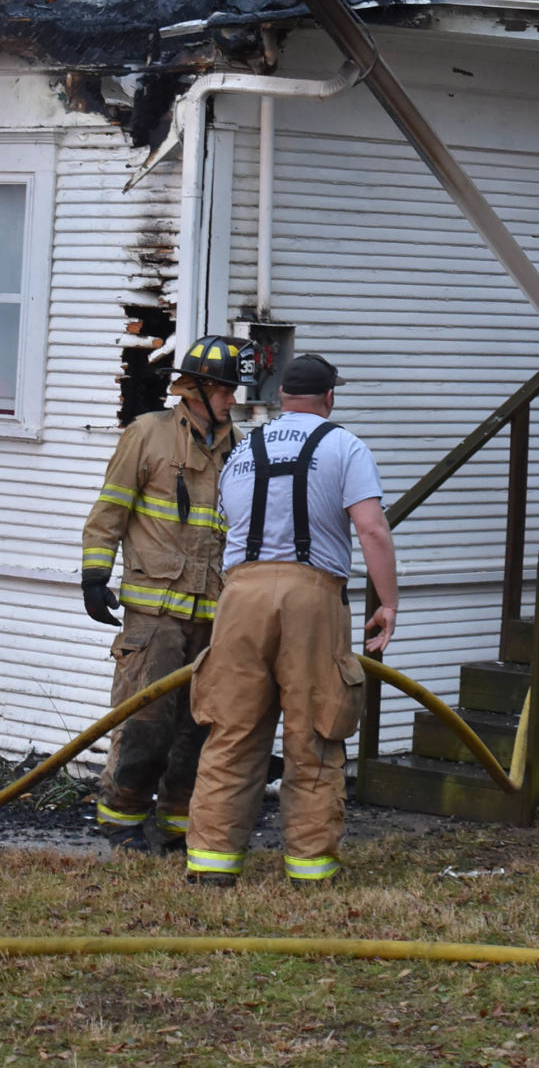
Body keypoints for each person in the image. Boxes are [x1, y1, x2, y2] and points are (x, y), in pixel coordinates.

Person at [185, 352, 398, 888]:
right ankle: (309, 867)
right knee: (315, 733)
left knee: (232, 730)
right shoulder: (345, 446)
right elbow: (371, 529)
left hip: (240, 597)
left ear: (281, 398)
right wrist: (388, 602)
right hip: (312, 598)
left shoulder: (242, 450)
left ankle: (211, 863)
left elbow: (225, 527)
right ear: (330, 397)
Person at [80, 335, 247, 851]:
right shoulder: (147, 435)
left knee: (198, 727)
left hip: (214, 615)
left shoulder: (239, 449)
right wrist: (94, 576)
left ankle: (178, 825)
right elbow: (110, 510)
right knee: (146, 724)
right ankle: (122, 822)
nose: (233, 398)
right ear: (195, 389)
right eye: (224, 389)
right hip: (154, 614)